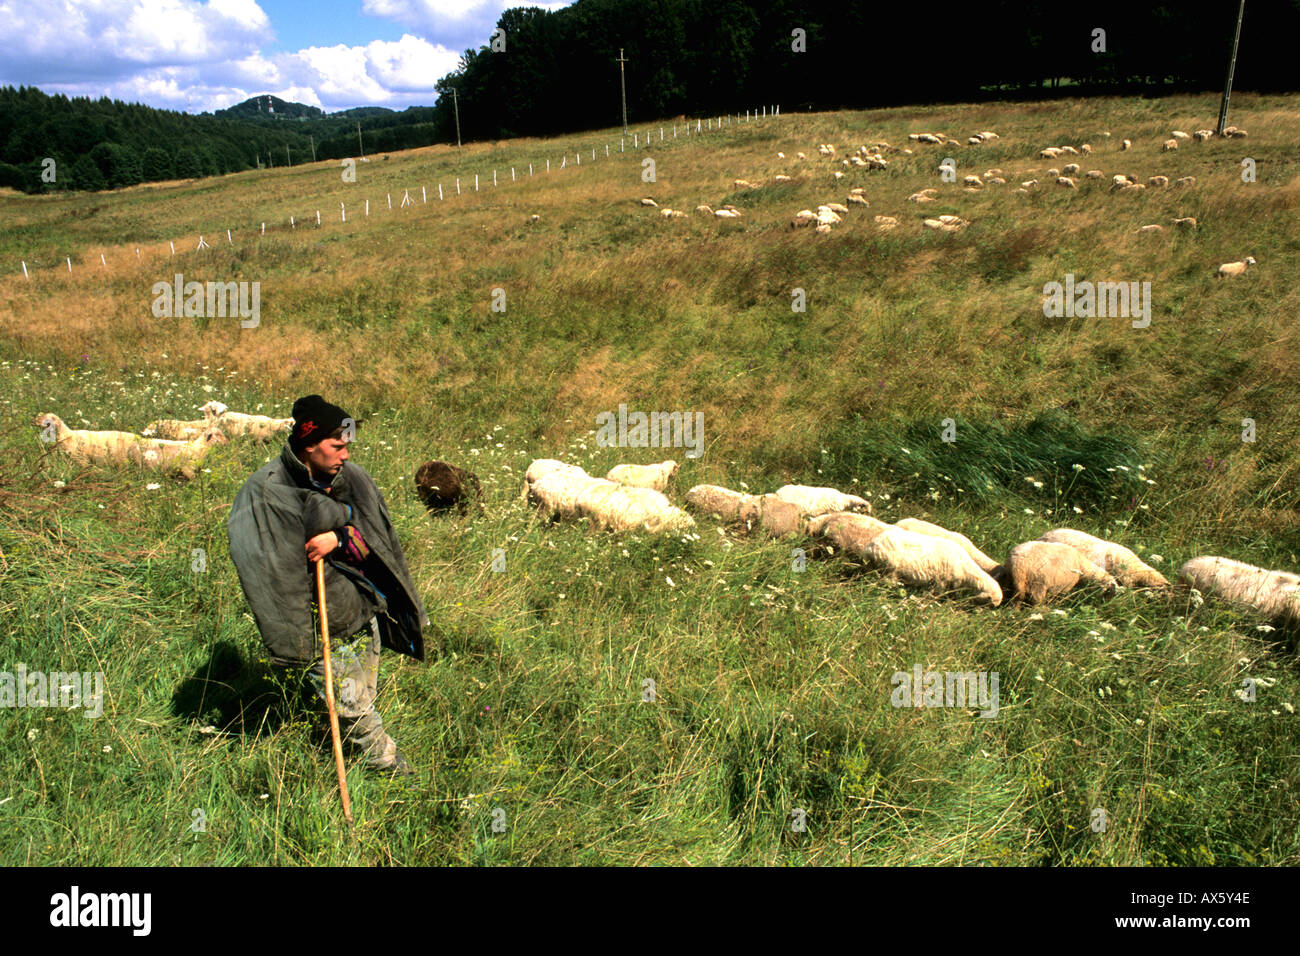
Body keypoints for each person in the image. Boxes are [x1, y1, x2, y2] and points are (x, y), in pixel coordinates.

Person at [227, 394, 428, 775]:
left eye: (347, 445)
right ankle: (391, 773)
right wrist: (302, 650)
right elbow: (274, 579)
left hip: (360, 609)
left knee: (360, 700)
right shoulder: (267, 494)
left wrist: (338, 536)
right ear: (308, 445)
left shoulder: (349, 477)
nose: (345, 455)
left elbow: (378, 536)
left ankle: (333, 740)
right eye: (337, 446)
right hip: (320, 624)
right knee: (356, 713)